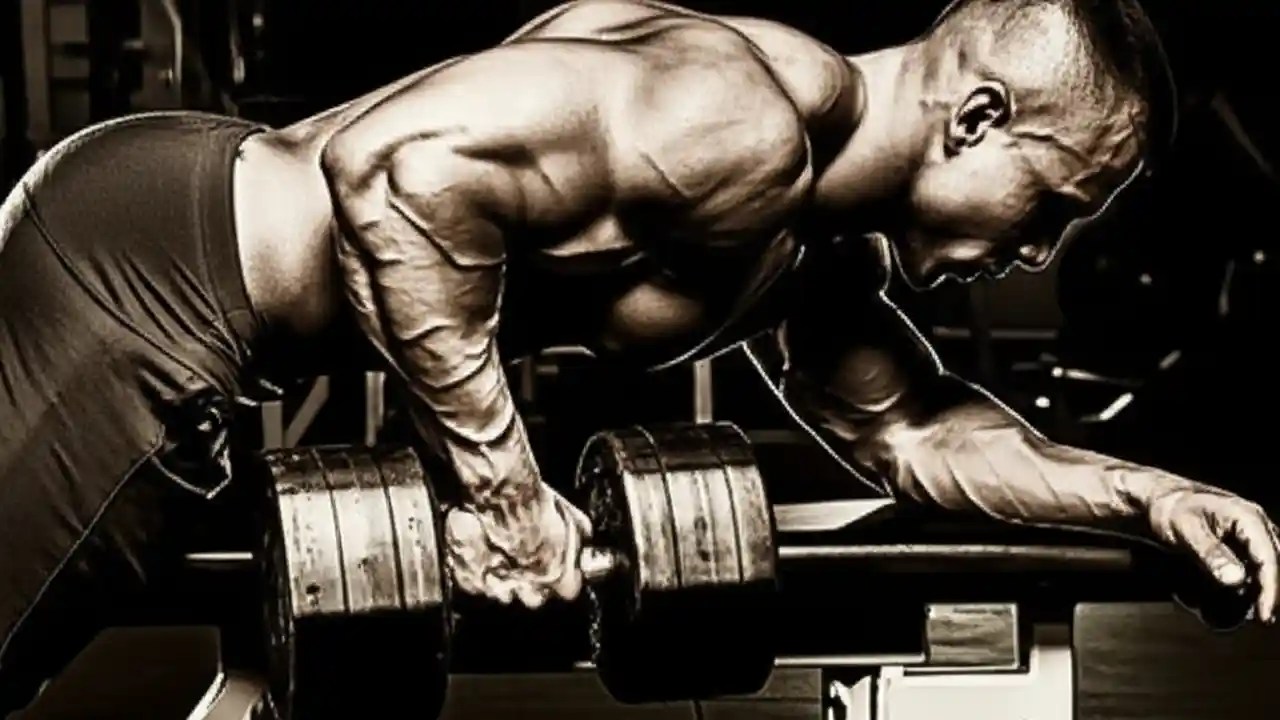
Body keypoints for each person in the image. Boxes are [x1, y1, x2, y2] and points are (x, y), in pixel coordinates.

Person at [1, 0, 1276, 710]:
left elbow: (914, 431)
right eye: (1050, 204)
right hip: (153, 272)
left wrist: (1146, 495)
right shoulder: (743, 114)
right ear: (980, 115)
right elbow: (396, 176)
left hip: (181, 266)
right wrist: (502, 494)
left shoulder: (811, 246)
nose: (1037, 250)